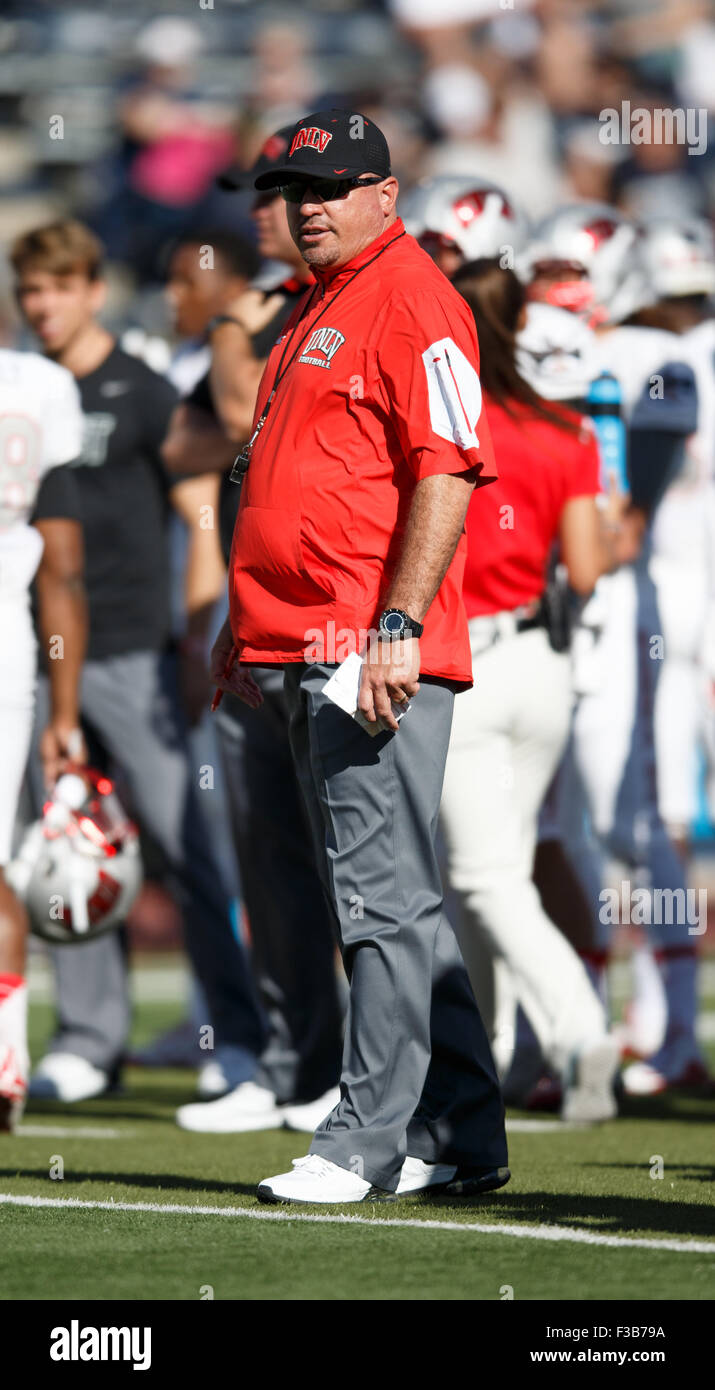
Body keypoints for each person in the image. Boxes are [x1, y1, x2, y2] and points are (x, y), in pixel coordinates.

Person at [210, 108, 508, 1204]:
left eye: (330, 185)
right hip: (294, 640)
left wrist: (395, 626)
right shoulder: (316, 306)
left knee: (377, 905)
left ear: (388, 193)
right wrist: (235, 626)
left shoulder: (413, 297)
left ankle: (361, 1141)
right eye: (292, 189)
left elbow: (446, 469)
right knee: (395, 902)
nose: (307, 206)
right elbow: (280, 476)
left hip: (365, 649)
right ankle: (465, 1131)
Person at [11, 219, 265, 1102]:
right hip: (44, 659)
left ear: (90, 289)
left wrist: (199, 631)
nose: (40, 305)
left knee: (189, 850)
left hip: (137, 651)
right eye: (28, 291)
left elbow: (199, 505)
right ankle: (88, 1040)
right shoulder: (26, 393)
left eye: (55, 288)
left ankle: (236, 1039)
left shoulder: (143, 387)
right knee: (65, 856)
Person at [163, 127, 344, 1135]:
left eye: (277, 193)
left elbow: (235, 413)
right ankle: (294, 1063)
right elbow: (181, 440)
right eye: (255, 194)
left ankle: (379, 1072)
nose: (259, 211)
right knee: (268, 857)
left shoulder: (311, 309)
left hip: (330, 620)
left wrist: (232, 328)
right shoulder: (268, 308)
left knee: (352, 861)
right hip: (257, 622)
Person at [439, 258, 621, 1122]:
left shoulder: (443, 420)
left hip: (462, 663)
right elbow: (584, 568)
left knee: (477, 878)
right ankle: (502, 1058)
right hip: (541, 666)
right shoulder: (564, 427)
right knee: (493, 874)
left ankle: (582, 1029)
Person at [0, 347, 87, 1129]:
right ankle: (6, 1056)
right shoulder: (40, 385)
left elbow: (61, 566)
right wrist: (64, 710)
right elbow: (61, 567)